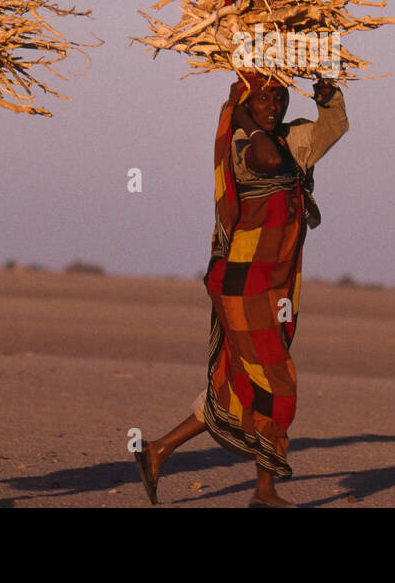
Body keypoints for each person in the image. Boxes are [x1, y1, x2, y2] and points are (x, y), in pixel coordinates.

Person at [136, 72, 347, 507]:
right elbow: (268, 161)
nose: (274, 107)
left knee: (240, 383)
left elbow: (332, 130)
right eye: (264, 99)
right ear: (246, 105)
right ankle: (264, 491)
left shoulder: (292, 140)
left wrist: (328, 100)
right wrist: (241, 117)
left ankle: (157, 449)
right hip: (242, 282)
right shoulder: (242, 144)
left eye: (280, 98)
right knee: (277, 383)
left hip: (275, 285)